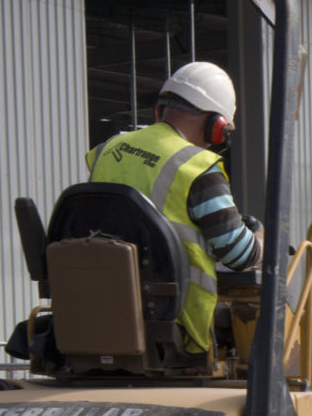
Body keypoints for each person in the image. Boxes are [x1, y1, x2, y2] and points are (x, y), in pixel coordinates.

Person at [84, 62, 261, 355]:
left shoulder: (108, 149)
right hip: (175, 325)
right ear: (215, 125)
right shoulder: (198, 166)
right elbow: (238, 254)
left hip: (99, 313)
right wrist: (261, 240)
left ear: (159, 111)